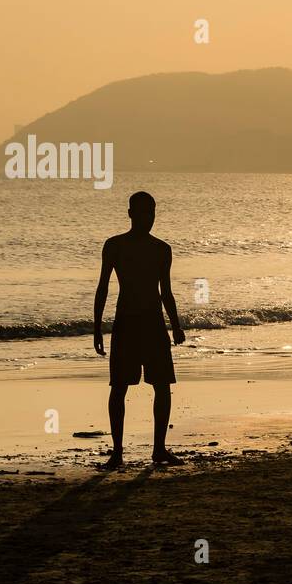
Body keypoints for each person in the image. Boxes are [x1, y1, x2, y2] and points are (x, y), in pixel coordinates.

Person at [93, 191, 186, 469]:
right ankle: (117, 451)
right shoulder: (114, 246)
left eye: (152, 213)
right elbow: (103, 288)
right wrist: (97, 329)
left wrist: (176, 325)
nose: (148, 218)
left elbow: (166, 292)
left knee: (162, 386)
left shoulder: (162, 249)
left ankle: (159, 449)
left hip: (154, 324)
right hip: (126, 324)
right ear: (131, 213)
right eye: (143, 212)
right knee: (119, 387)